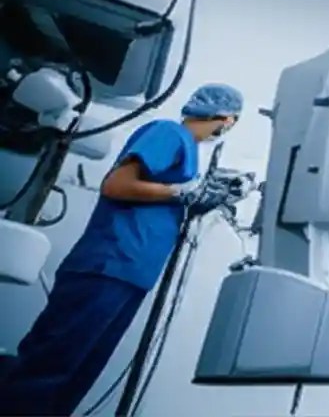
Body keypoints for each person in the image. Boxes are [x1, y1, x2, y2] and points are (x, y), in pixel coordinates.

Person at [0, 83, 245, 417]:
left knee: (78, 376)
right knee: (50, 367)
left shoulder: (188, 154)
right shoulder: (169, 132)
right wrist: (181, 192)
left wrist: (203, 198)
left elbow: (168, 201)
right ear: (225, 118)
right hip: (108, 265)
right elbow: (116, 185)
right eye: (232, 121)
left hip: (131, 275)